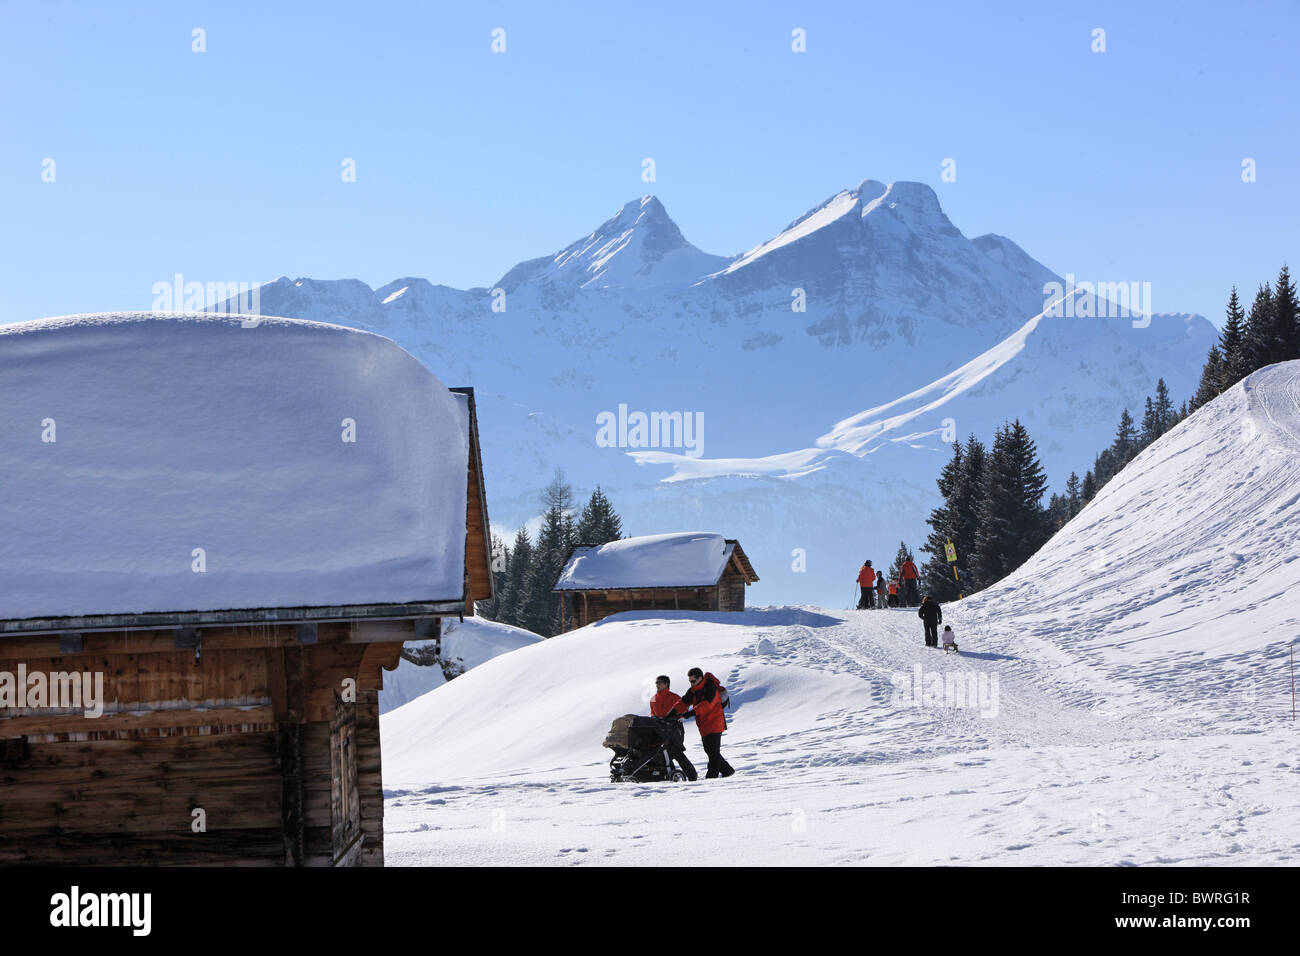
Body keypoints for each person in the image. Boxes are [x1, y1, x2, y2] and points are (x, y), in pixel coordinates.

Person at [680, 667, 734, 778]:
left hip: (715, 723)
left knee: (713, 753)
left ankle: (711, 779)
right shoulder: (693, 690)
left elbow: (705, 706)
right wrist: (671, 713)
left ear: (700, 678)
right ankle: (727, 770)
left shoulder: (710, 688)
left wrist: (687, 715)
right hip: (704, 725)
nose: (691, 683)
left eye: (693, 681)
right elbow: (682, 702)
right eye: (690, 681)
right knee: (709, 750)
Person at [650, 675, 697, 780]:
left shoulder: (674, 697)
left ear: (666, 684)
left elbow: (683, 710)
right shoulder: (653, 699)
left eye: (659, 682)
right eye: (656, 682)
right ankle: (672, 776)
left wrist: (674, 719)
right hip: (660, 731)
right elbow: (652, 715)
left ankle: (692, 775)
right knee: (664, 754)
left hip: (675, 729)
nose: (657, 684)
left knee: (676, 752)